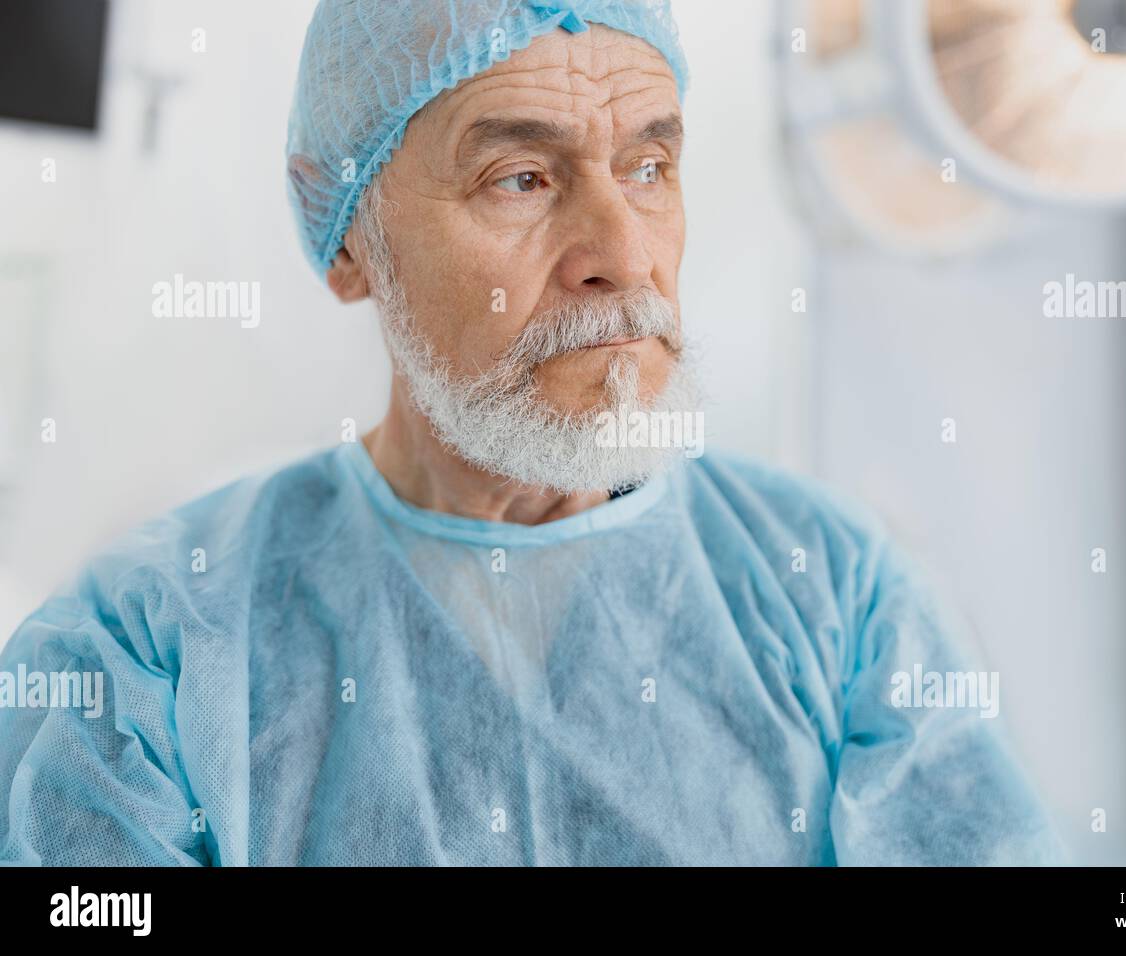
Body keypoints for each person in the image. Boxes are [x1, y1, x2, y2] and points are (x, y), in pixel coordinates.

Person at [0, 0, 1064, 865]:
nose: (620, 250)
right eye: (522, 177)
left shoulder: (834, 594)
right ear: (349, 239)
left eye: (649, 168)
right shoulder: (136, 657)